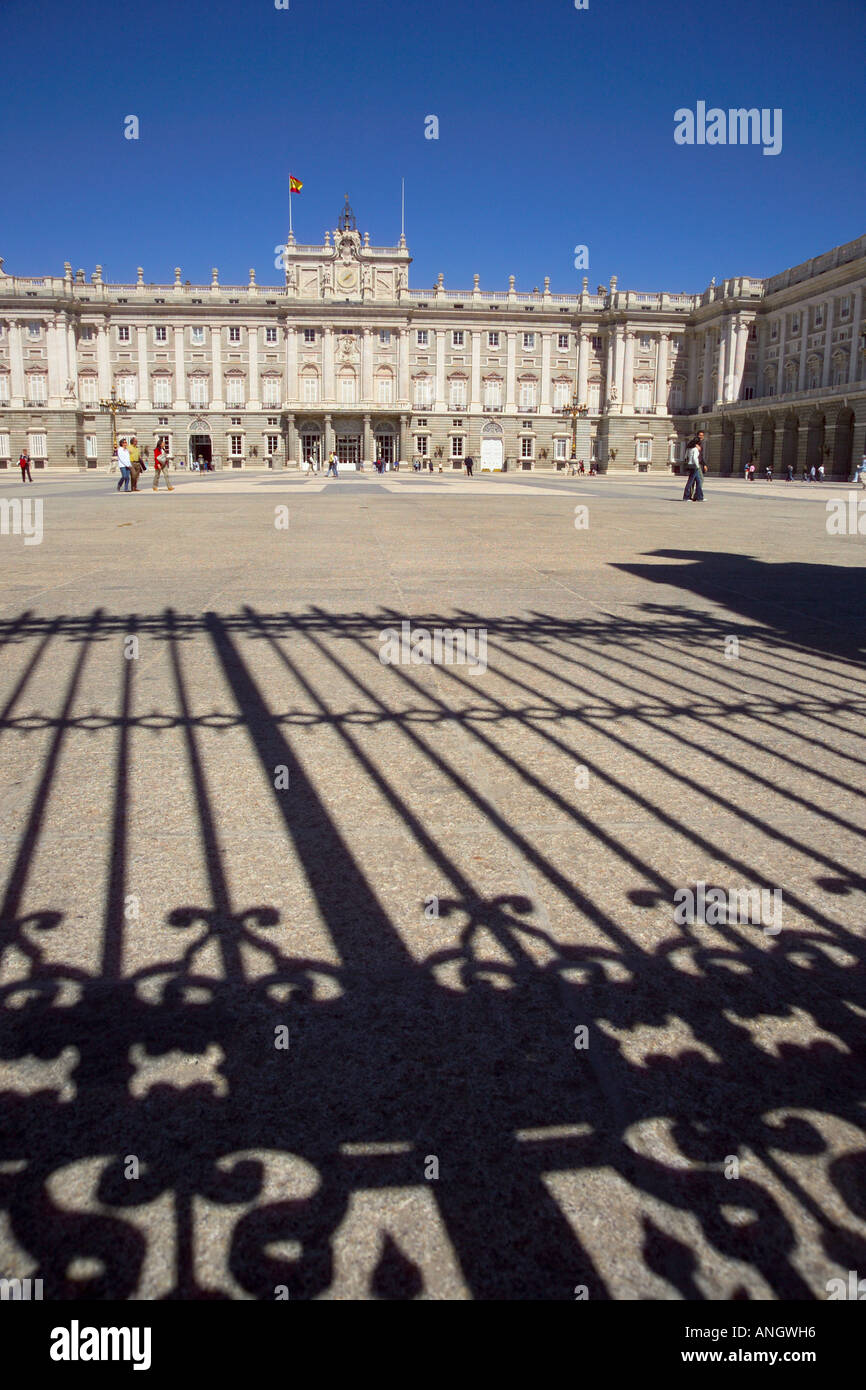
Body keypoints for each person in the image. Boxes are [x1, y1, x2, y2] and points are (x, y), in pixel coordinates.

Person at [682, 433, 705, 502]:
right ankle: (686, 497)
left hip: (690, 465)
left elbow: (685, 457)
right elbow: (695, 458)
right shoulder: (695, 449)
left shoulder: (689, 448)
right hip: (694, 466)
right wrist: (697, 466)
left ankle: (699, 497)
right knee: (690, 482)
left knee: (699, 481)